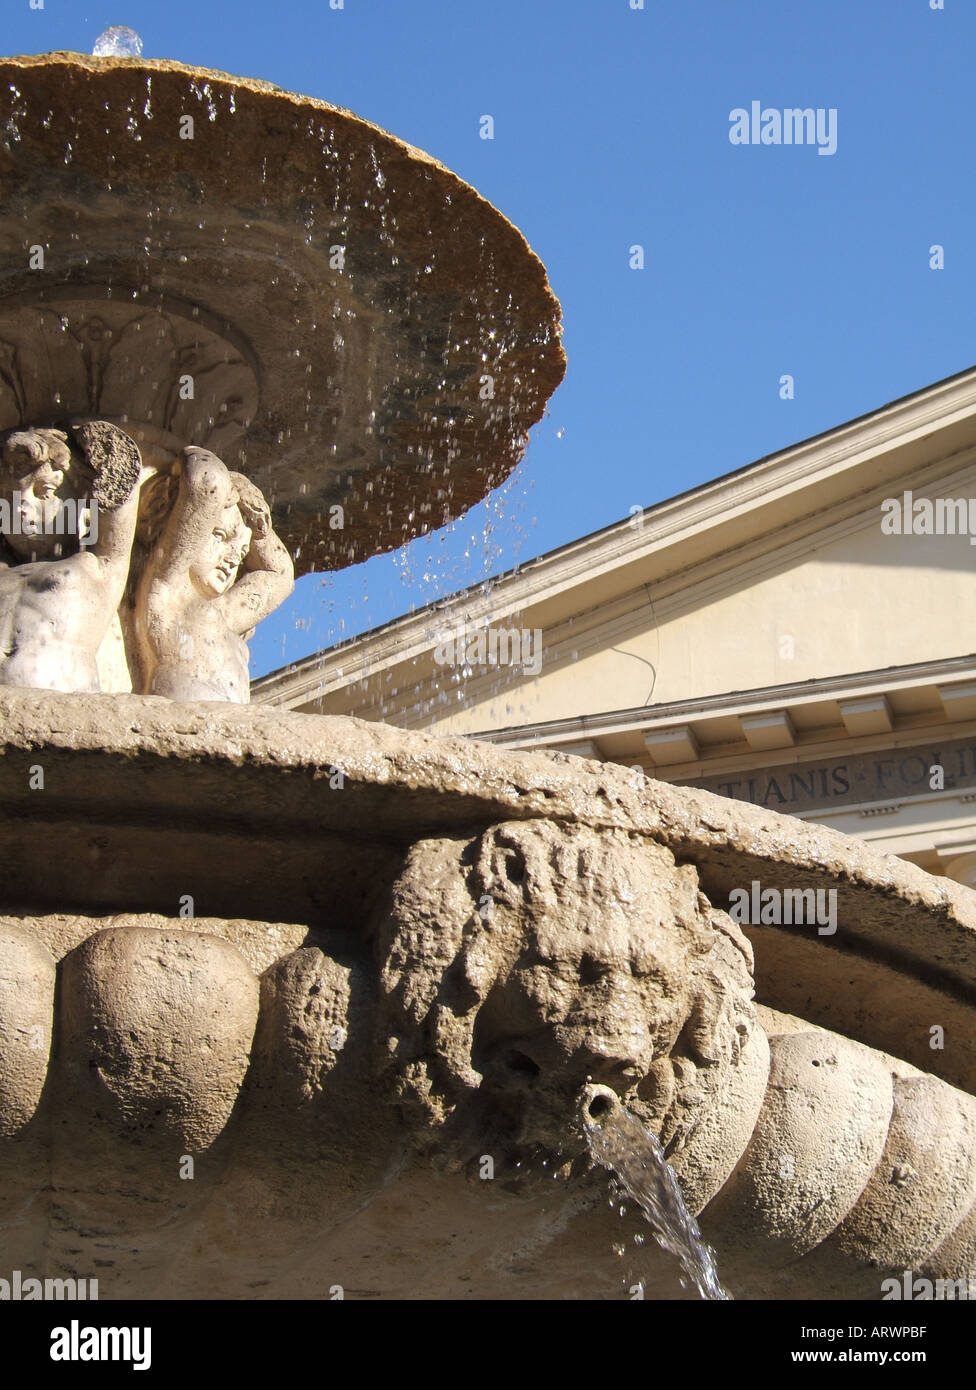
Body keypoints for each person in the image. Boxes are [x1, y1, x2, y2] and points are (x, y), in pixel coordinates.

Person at [135, 446, 294, 703]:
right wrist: (190, 454)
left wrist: (260, 531)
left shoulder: (225, 614)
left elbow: (281, 575)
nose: (233, 558)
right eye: (220, 536)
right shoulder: (168, 593)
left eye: (243, 553)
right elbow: (207, 481)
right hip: (178, 729)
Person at [0, 422, 148, 693]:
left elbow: (124, 488)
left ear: (83, 502)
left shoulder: (98, 566)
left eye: (44, 491)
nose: (22, 506)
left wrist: (104, 442)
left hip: (63, 716)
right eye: (8, 495)